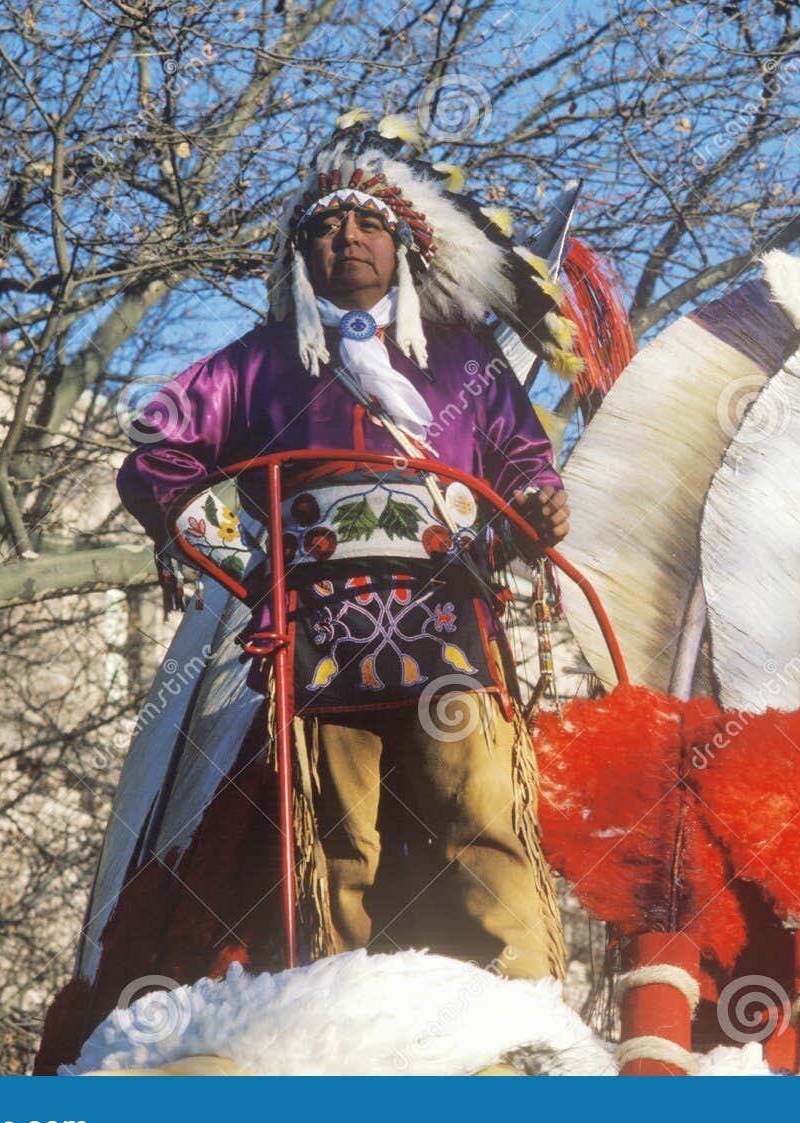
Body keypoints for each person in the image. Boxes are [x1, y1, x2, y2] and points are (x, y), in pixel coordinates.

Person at [114, 111, 583, 981]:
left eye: (369, 223)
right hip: (317, 627)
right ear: (302, 256)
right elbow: (157, 451)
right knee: (336, 828)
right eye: (325, 226)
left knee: (477, 804)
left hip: (447, 617)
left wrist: (537, 502)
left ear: (406, 247)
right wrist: (233, 550)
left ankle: (521, 994)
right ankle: (335, 991)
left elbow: (523, 455)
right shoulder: (258, 363)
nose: (347, 238)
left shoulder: (464, 355)